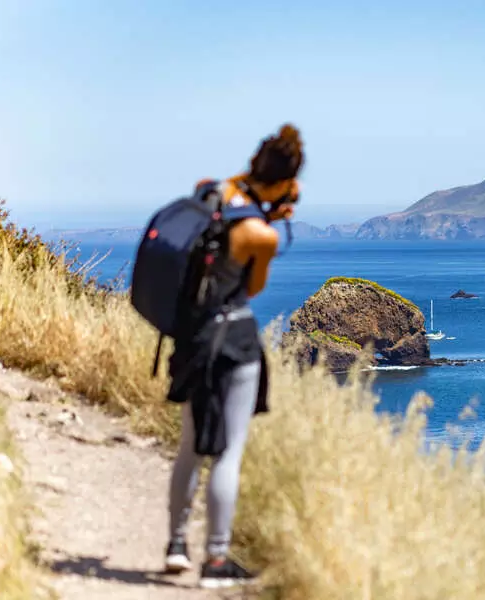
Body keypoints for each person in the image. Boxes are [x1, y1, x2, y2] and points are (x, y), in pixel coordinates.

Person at [162, 124, 304, 589]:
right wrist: (269, 216)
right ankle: (217, 561)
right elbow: (252, 287)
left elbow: (230, 196)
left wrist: (264, 196)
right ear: (287, 180)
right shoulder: (260, 236)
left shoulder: (210, 193)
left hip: (193, 339)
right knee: (228, 452)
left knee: (190, 446)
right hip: (235, 343)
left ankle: (176, 545)